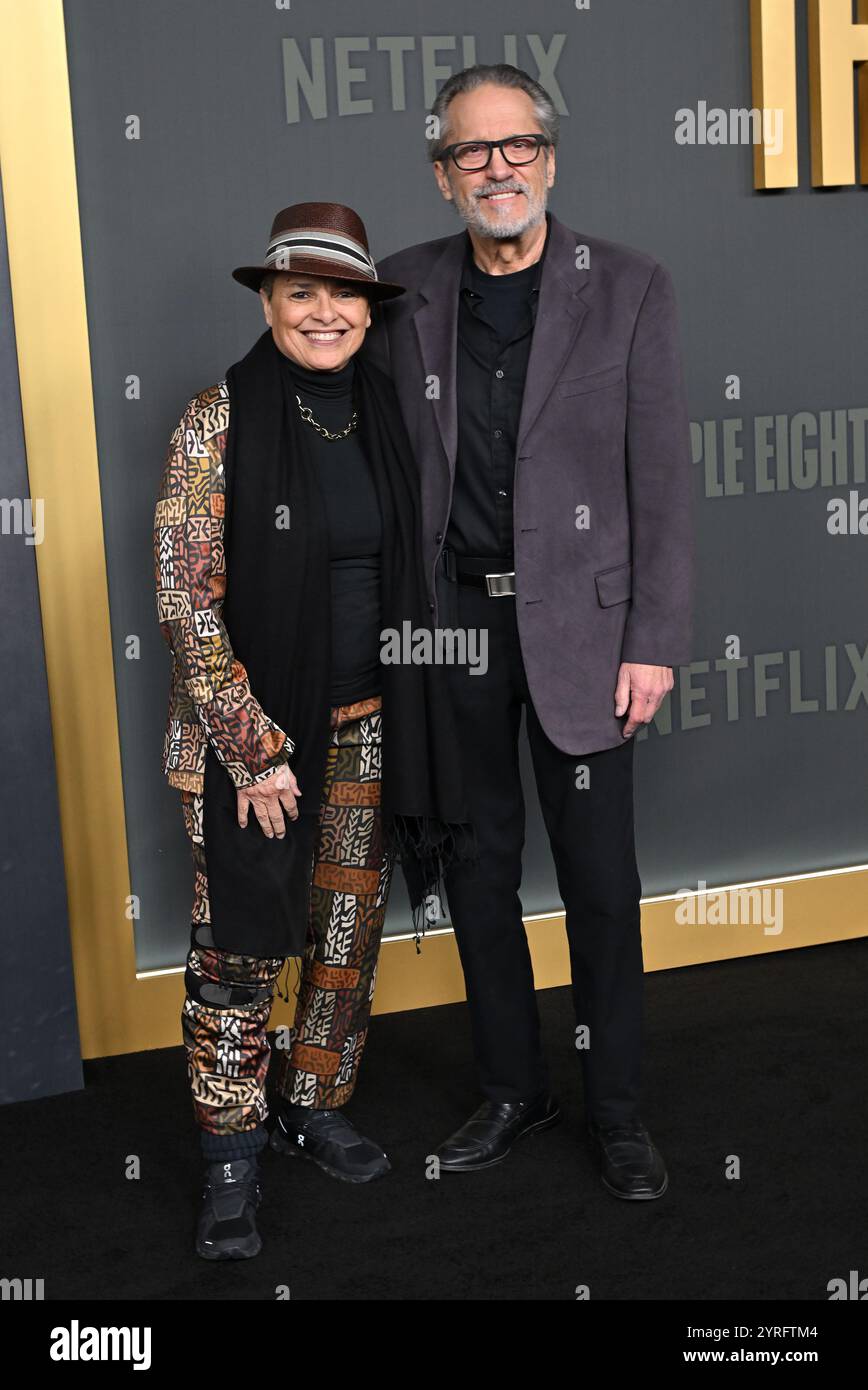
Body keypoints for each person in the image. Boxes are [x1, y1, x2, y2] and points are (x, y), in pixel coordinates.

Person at [364, 65, 695, 1199]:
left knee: (600, 886)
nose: (496, 168)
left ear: (547, 159)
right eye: (471, 151)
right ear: (442, 172)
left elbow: (660, 480)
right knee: (477, 875)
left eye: (517, 147)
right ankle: (514, 1087)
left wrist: (651, 637)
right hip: (449, 631)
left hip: (589, 641)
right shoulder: (399, 290)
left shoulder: (632, 285)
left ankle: (615, 1110)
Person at [154, 203, 473, 1259]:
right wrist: (252, 747)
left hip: (370, 721)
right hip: (253, 742)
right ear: (268, 300)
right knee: (242, 950)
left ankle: (315, 1101)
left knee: (344, 938)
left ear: (366, 308)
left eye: (344, 294)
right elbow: (187, 603)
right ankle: (232, 1158)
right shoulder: (217, 421)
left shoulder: (385, 412)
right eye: (303, 291)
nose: (325, 311)